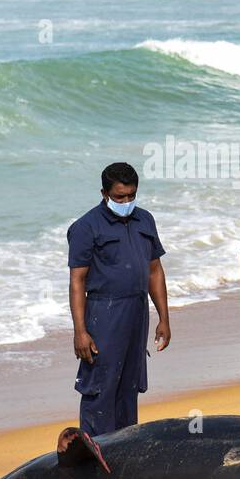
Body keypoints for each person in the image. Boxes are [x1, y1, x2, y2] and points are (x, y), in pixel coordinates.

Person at [67, 162, 171, 436]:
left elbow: (154, 271)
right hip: (103, 314)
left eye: (131, 196)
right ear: (104, 193)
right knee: (100, 387)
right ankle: (95, 453)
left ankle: (124, 451)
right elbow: (77, 281)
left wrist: (164, 318)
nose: (126, 202)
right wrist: (80, 331)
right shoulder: (85, 227)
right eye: (119, 197)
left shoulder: (145, 220)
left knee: (129, 386)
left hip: (137, 312)